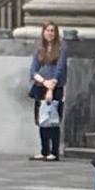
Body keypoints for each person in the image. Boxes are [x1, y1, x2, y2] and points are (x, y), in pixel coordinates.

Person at [28, 21, 68, 162]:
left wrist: (51, 86)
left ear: (56, 33)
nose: (50, 33)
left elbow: (60, 68)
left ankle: (54, 151)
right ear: (43, 32)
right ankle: (44, 150)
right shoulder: (40, 48)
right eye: (47, 30)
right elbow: (33, 69)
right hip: (40, 85)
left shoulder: (61, 47)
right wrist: (43, 82)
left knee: (53, 119)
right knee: (42, 119)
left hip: (55, 86)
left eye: (52, 30)